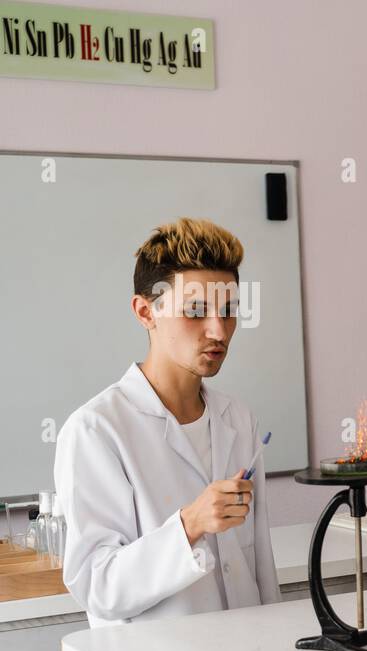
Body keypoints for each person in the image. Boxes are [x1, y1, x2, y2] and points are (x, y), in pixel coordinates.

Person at [54, 218, 278, 627]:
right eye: (196, 311)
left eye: (229, 312)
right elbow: (98, 587)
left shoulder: (239, 420)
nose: (218, 331)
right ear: (145, 312)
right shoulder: (96, 431)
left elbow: (260, 563)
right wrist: (189, 524)